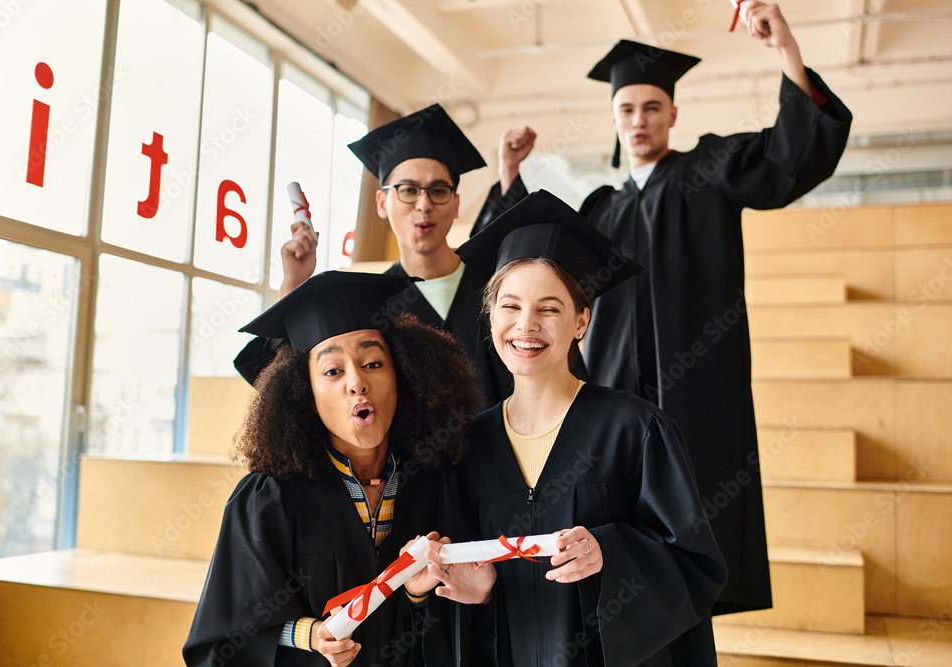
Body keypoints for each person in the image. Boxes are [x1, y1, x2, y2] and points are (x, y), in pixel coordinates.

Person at [470, 2, 853, 615]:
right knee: (618, 539)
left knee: (695, 540)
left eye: (652, 107)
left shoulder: (708, 172)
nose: (639, 120)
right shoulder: (599, 211)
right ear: (614, 117)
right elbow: (525, 255)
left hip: (703, 395)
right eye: (627, 109)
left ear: (673, 113)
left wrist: (786, 51)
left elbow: (787, 157)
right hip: (616, 397)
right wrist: (507, 173)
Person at [426, 190, 728, 666]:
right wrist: (478, 593)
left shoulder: (635, 430)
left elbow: (695, 565)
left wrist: (610, 553)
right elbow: (466, 601)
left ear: (581, 320)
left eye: (549, 308)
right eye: (510, 306)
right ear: (490, 314)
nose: (526, 326)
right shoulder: (470, 447)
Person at [184, 271, 480, 666]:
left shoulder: (435, 479)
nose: (357, 383)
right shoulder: (269, 498)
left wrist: (417, 592)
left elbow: (462, 631)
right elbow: (223, 640)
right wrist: (311, 635)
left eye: (373, 363)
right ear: (306, 397)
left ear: (403, 376)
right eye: (333, 371)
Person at [235, 103, 511, 407]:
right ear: (382, 202)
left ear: (455, 203)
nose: (423, 204)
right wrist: (293, 289)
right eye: (407, 190)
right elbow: (290, 384)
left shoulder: (497, 289)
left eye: (438, 190)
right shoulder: (368, 302)